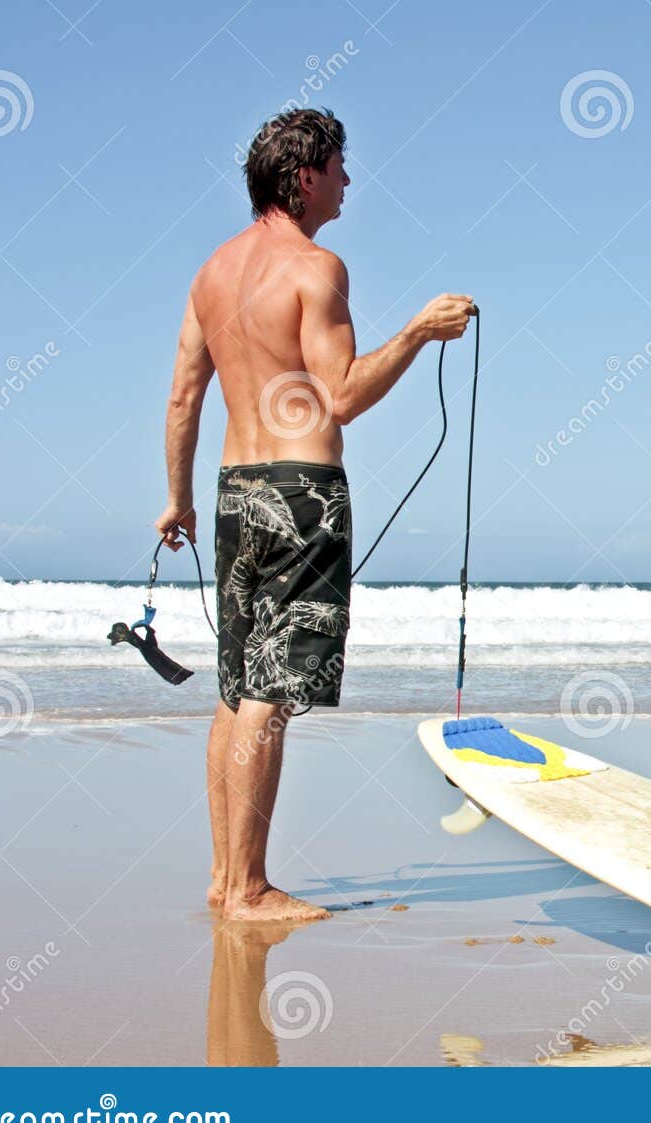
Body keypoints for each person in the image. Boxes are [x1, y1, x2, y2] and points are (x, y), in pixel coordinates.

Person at [154, 108, 474, 921]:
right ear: (305, 177)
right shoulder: (317, 268)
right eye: (339, 166)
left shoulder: (211, 273)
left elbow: (184, 394)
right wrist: (418, 332)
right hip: (302, 491)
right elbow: (343, 395)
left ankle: (226, 878)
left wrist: (177, 498)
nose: (349, 180)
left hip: (233, 491)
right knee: (271, 691)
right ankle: (251, 888)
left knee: (234, 692)